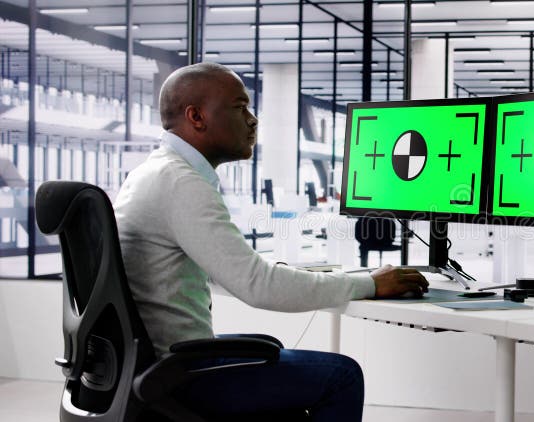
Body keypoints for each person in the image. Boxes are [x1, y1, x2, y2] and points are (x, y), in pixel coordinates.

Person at [114, 62, 428, 421]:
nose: (252, 119)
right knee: (342, 376)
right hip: (182, 375)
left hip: (159, 367)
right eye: (239, 107)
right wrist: (370, 284)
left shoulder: (153, 172)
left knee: (276, 353)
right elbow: (258, 287)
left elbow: (234, 271)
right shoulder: (180, 182)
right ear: (196, 116)